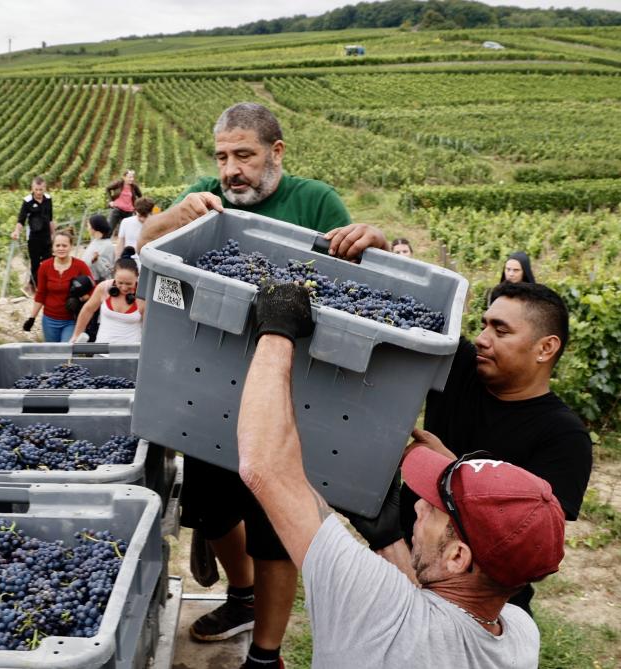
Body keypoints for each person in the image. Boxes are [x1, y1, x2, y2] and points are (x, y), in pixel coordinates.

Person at [138, 102, 387, 669]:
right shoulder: (206, 195)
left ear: (276, 153)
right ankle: (241, 595)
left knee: (278, 527)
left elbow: (360, 278)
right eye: (223, 157)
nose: (231, 170)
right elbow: (146, 245)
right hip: (213, 392)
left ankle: (265, 654)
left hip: (294, 396)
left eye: (244, 155)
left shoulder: (315, 200)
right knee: (213, 513)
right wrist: (174, 214)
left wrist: (367, 240)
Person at [234, 282, 565, 667]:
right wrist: (390, 542)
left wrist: (276, 330)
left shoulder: (369, 601)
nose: (420, 505)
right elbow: (428, 609)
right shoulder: (520, 635)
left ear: (459, 556)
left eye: (435, 508)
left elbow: (266, 469)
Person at [350, 281, 591, 617]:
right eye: (484, 325)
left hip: (481, 604)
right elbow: (401, 301)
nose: (482, 338)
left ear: (545, 348)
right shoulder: (460, 366)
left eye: (501, 331)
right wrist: (378, 246)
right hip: (400, 559)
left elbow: (530, 539)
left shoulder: (565, 437)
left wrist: (450, 470)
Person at [23, 230, 92, 343]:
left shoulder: (80, 266)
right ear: (53, 247)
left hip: (71, 320)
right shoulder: (45, 266)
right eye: (58, 245)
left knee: (65, 351)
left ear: (71, 247)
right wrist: (32, 318)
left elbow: (94, 289)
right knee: (52, 353)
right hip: (49, 319)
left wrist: (80, 299)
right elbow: (41, 294)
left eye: (64, 245)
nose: (61, 248)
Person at [70, 256, 145, 345]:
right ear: (114, 276)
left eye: (129, 284)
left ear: (137, 277)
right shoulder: (104, 288)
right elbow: (88, 310)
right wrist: (76, 335)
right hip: (102, 352)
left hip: (130, 354)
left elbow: (149, 327)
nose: (124, 288)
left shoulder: (143, 295)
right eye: (120, 283)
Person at [13, 176, 55, 291]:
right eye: (36, 189)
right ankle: (37, 287)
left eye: (41, 189)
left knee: (48, 262)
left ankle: (44, 285)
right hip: (34, 238)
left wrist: (53, 236)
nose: (38, 192)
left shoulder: (48, 199)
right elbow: (21, 220)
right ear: (32, 188)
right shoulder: (27, 201)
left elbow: (51, 219)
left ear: (44, 188)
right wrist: (16, 231)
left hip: (46, 237)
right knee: (35, 264)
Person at [80, 213, 115, 283]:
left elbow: (108, 271)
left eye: (88, 226)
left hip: (99, 283)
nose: (87, 228)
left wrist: (96, 261)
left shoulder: (108, 245)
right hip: (88, 280)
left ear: (95, 227)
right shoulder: (95, 241)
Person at [115, 197, 151, 263]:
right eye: (140, 216)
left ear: (150, 212)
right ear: (135, 211)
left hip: (146, 261)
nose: (142, 219)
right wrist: (117, 260)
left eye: (145, 216)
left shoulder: (155, 224)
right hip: (129, 260)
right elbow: (120, 242)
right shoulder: (126, 222)